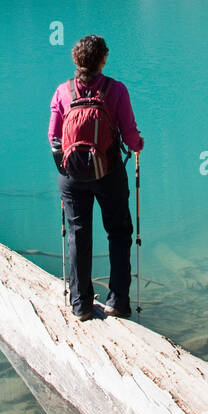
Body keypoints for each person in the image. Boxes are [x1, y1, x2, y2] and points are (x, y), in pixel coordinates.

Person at [48, 34, 144, 321]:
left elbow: (54, 138)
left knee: (79, 234)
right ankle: (118, 302)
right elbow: (130, 136)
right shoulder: (116, 90)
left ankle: (81, 305)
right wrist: (138, 145)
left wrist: (65, 169)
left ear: (76, 61)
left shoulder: (62, 92)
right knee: (118, 232)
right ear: (102, 60)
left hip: (72, 174)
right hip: (108, 172)